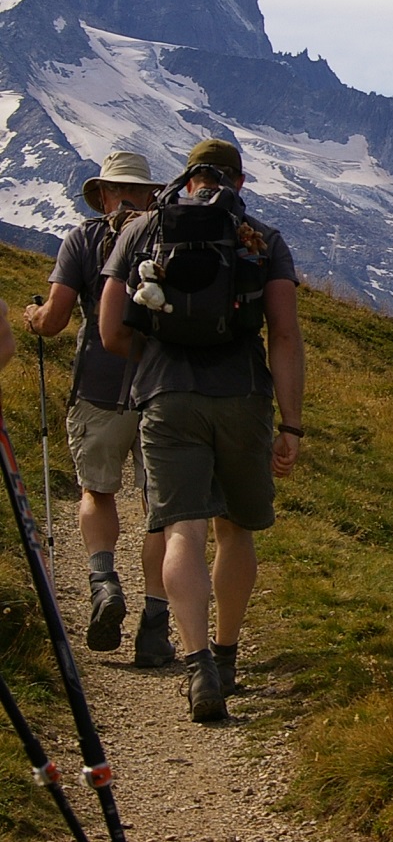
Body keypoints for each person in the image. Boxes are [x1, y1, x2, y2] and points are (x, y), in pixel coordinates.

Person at [100, 138, 304, 722]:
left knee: (182, 530)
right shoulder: (261, 239)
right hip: (242, 396)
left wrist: (157, 364)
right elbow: (285, 336)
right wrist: (291, 424)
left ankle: (197, 670)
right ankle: (228, 653)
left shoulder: (145, 230)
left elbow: (111, 330)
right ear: (238, 183)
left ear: (186, 176)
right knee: (236, 530)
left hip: (167, 397)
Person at [23, 150, 173, 665]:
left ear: (105, 193)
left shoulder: (84, 240)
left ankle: (104, 580)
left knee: (97, 490)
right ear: (150, 193)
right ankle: (156, 624)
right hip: (160, 389)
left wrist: (32, 317)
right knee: (161, 513)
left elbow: (55, 319)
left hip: (99, 386)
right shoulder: (167, 238)